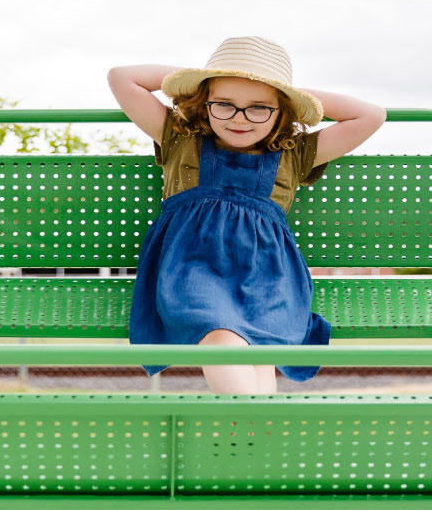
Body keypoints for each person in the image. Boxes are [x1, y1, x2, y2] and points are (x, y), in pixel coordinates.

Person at [107, 36, 387, 394]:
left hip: (266, 277)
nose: (240, 118)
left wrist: (283, 90)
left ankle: (255, 441)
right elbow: (121, 77)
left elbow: (371, 115)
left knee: (259, 353)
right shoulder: (181, 138)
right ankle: (258, 436)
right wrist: (201, 80)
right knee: (220, 336)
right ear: (204, 103)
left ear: (281, 111)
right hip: (193, 270)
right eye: (224, 104)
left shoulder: (293, 154)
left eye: (259, 107)